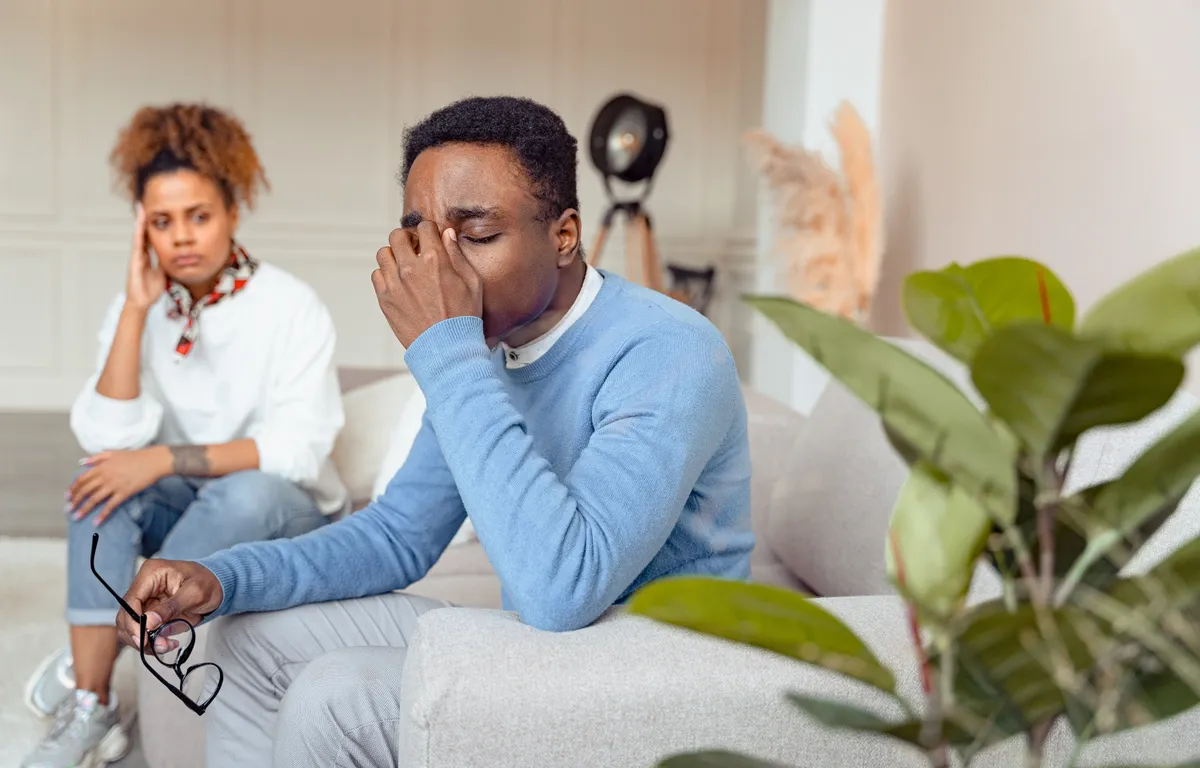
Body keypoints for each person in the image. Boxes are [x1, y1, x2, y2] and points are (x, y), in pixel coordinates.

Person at [115, 95, 755, 768]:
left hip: (648, 672)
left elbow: (562, 589)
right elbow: (399, 534)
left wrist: (449, 354)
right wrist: (221, 577)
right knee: (243, 639)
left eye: (476, 235)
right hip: (543, 646)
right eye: (421, 238)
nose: (440, 269)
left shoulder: (668, 351)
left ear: (564, 236)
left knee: (335, 695)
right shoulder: (491, 349)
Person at [21, 103, 348, 768]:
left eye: (198, 215)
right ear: (142, 226)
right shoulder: (137, 307)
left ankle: (107, 646)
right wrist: (136, 309)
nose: (181, 238)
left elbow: (297, 451)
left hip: (283, 513)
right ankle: (92, 703)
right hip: (189, 510)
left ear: (233, 210)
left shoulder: (290, 306)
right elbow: (107, 435)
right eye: (162, 222)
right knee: (97, 485)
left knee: (245, 492)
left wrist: (162, 459)